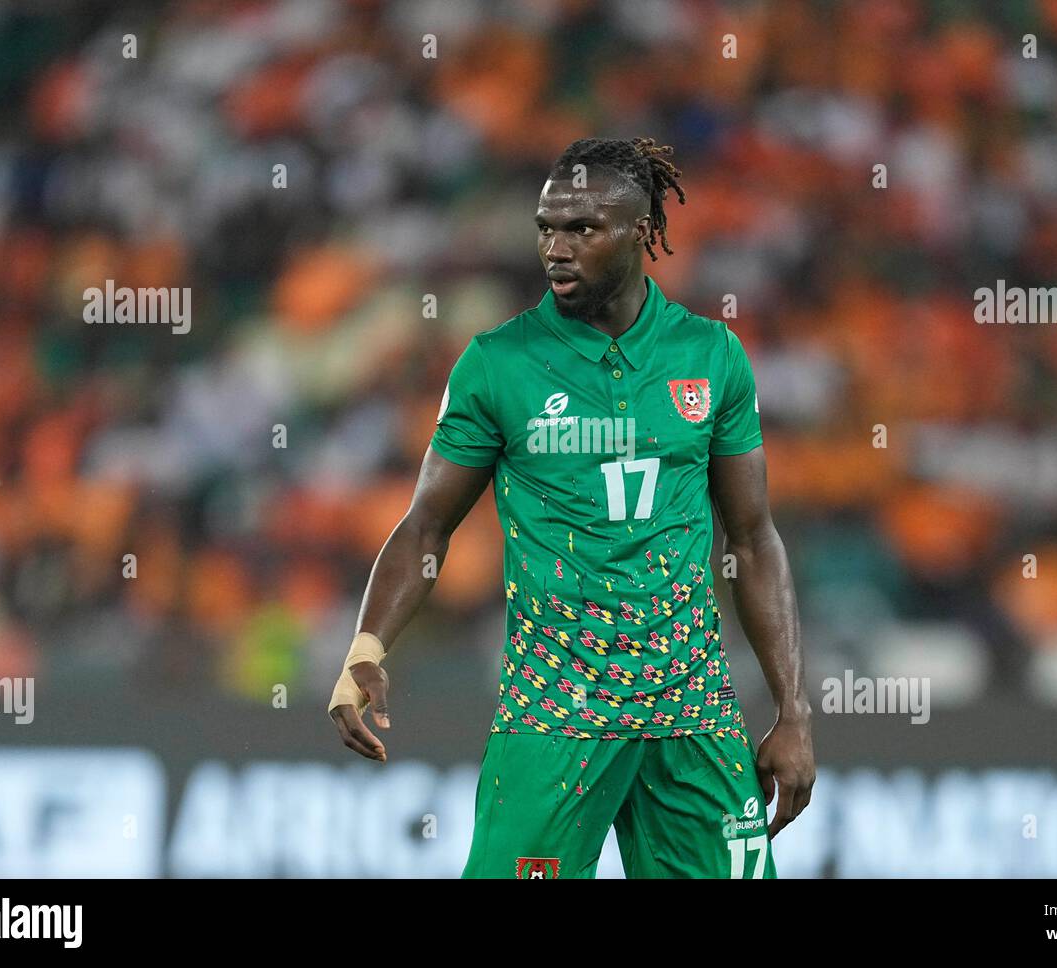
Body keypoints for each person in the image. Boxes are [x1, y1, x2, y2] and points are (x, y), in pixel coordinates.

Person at [329, 136, 815, 878]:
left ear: (644, 232)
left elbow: (751, 540)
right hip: (555, 710)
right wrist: (367, 646)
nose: (556, 248)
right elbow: (425, 525)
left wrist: (792, 711)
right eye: (546, 227)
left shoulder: (710, 356)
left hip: (693, 714)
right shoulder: (498, 364)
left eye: (582, 229)